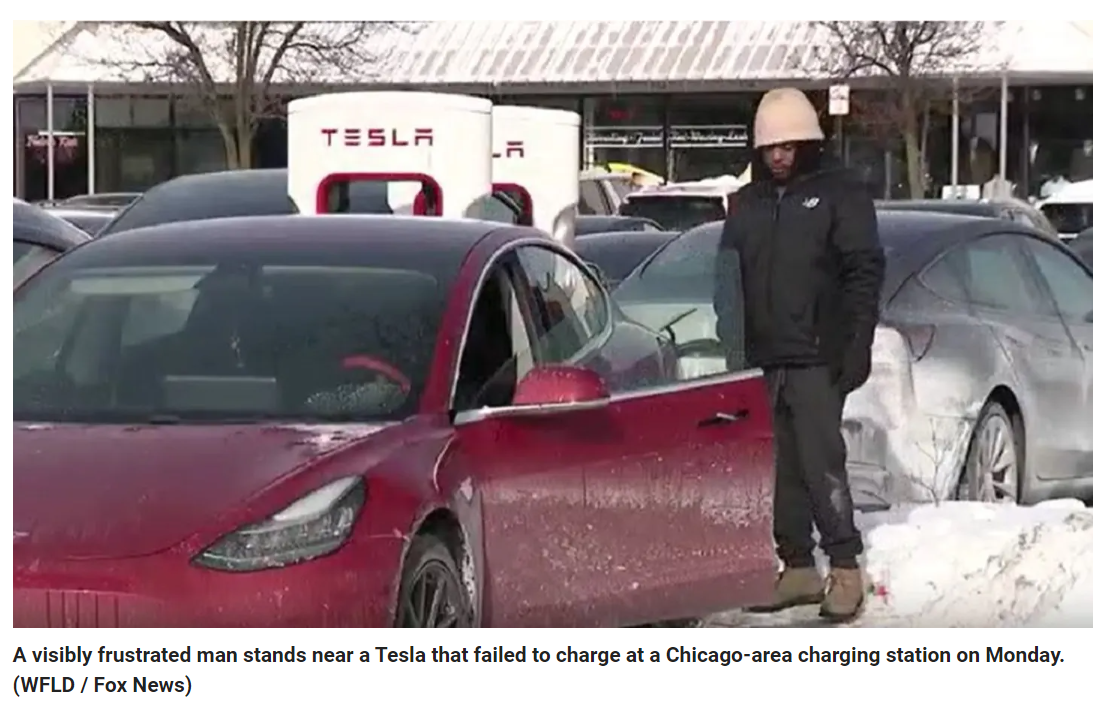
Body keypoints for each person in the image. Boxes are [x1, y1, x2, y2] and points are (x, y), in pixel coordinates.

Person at [713, 87, 885, 623]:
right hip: (764, 359)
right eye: (770, 148)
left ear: (808, 143)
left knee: (820, 466)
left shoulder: (840, 192)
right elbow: (726, 275)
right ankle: (798, 567)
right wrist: (730, 337)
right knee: (777, 469)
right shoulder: (748, 203)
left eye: (789, 146)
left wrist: (856, 345)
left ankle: (845, 567)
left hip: (817, 357)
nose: (779, 157)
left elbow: (863, 271)